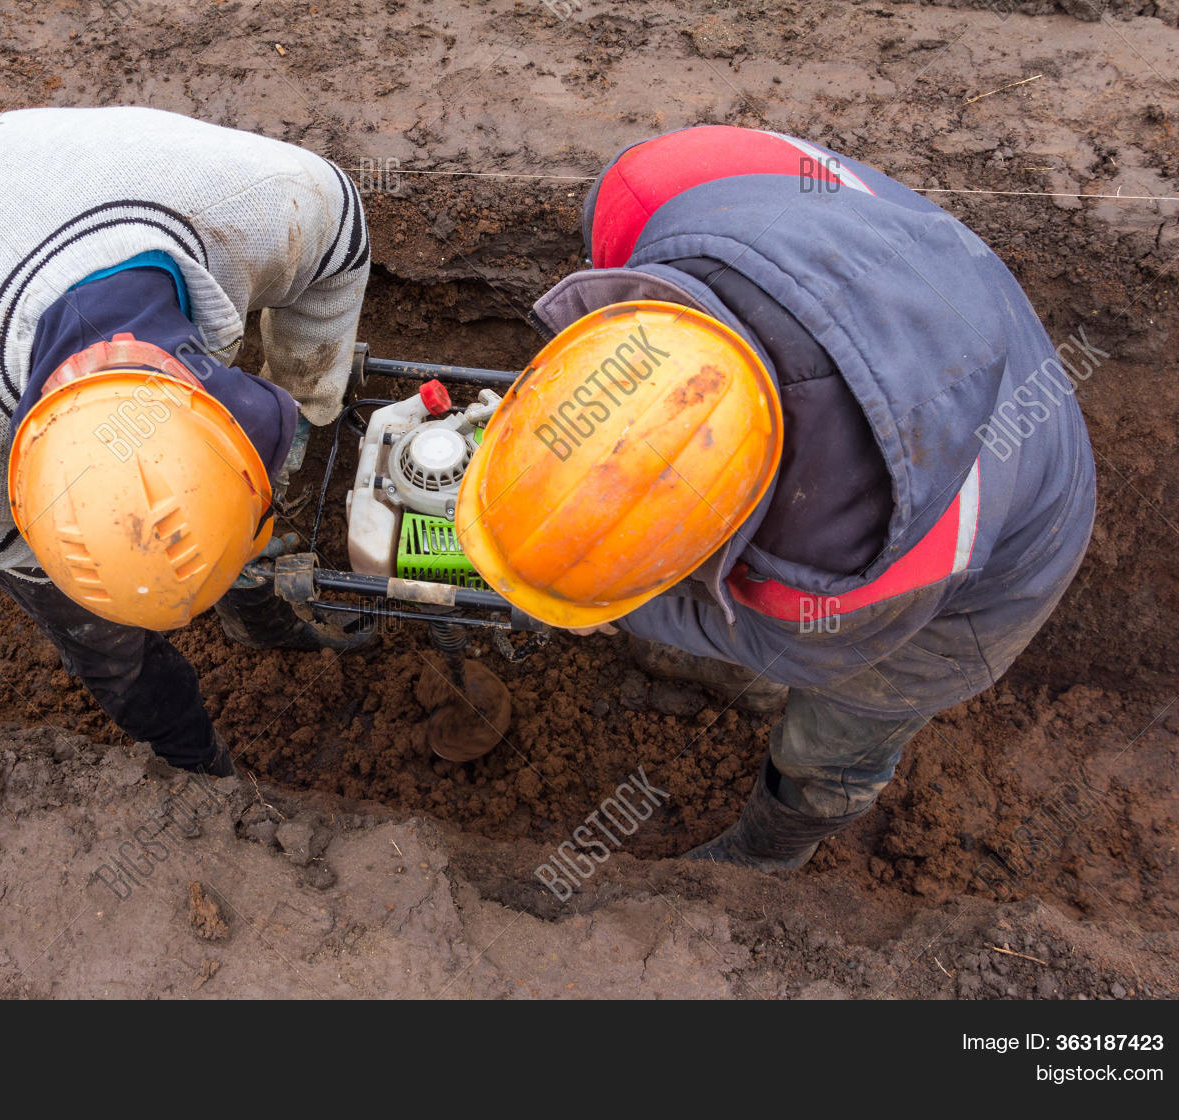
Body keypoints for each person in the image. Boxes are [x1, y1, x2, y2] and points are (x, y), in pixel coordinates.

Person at [457, 125, 1096, 870]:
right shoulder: (658, 186)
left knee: (828, 744)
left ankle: (766, 857)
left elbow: (786, 644)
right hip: (914, 283)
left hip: (997, 550)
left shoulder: (866, 570)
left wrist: (624, 610)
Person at [0, 106, 373, 778]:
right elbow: (34, 549)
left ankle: (252, 612)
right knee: (107, 648)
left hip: (33, 162)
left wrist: (305, 395)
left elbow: (339, 262)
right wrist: (124, 587)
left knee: (206, 511)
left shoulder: (277, 206)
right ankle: (193, 760)